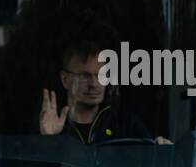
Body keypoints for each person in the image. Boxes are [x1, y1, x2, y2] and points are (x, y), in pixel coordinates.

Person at [39, 40, 171, 145]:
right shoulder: (49, 124)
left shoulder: (125, 123)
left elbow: (147, 166)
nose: (93, 84)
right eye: (84, 76)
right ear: (65, 79)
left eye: (101, 75)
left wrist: (161, 151)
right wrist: (49, 141)